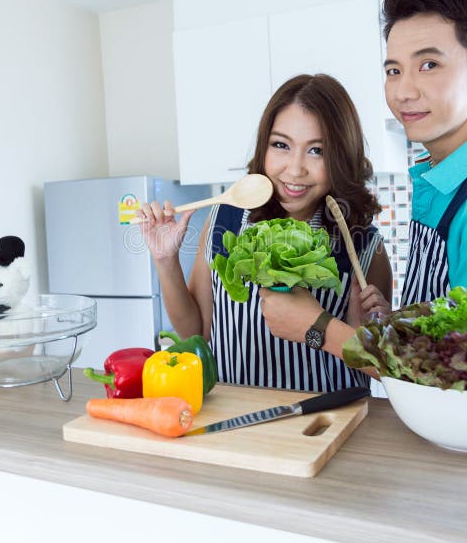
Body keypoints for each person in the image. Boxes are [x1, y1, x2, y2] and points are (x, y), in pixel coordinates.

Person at [261, 0, 467, 344]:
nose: (403, 91)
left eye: (429, 65)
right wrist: (402, 327)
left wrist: (319, 329)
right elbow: (449, 348)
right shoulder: (445, 179)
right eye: (393, 69)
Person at [137, 73, 392, 392]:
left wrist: (365, 329)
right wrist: (165, 260)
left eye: (317, 150)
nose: (295, 168)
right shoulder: (224, 219)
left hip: (327, 423)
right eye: (281, 145)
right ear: (264, 146)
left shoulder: (365, 247)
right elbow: (196, 332)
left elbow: (380, 367)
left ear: (341, 156)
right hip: (236, 421)